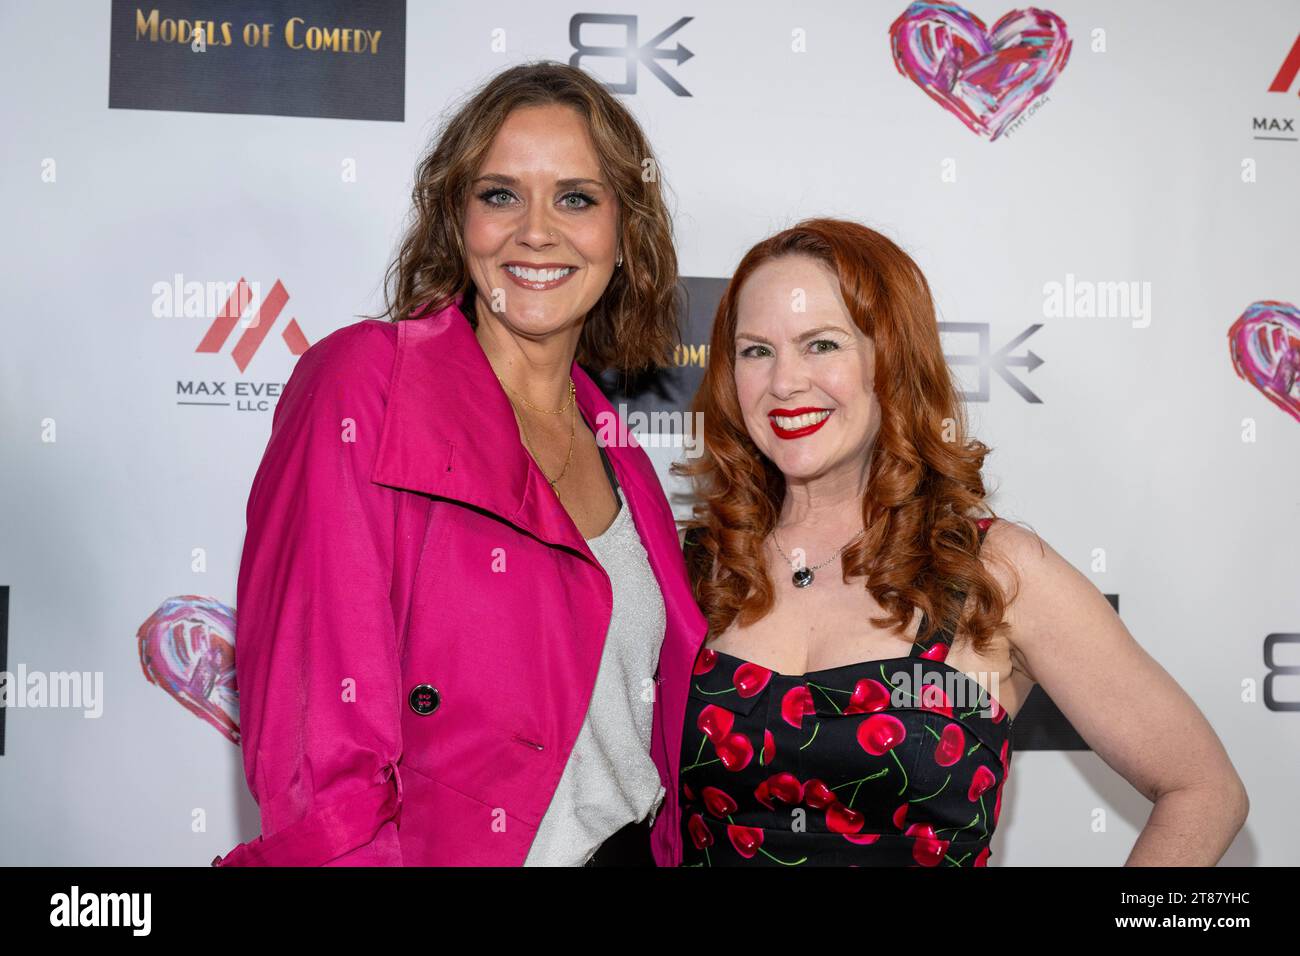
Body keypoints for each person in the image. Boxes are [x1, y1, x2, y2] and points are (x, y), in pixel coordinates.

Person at [213, 61, 709, 867]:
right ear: (457, 220)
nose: (537, 231)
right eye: (500, 194)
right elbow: (317, 747)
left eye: (577, 198)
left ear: (623, 237)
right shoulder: (366, 387)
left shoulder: (621, 453)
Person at [672, 218, 1249, 866]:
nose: (784, 382)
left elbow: (1205, 791)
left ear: (890, 359)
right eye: (756, 351)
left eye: (821, 345)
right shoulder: (686, 568)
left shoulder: (994, 572)